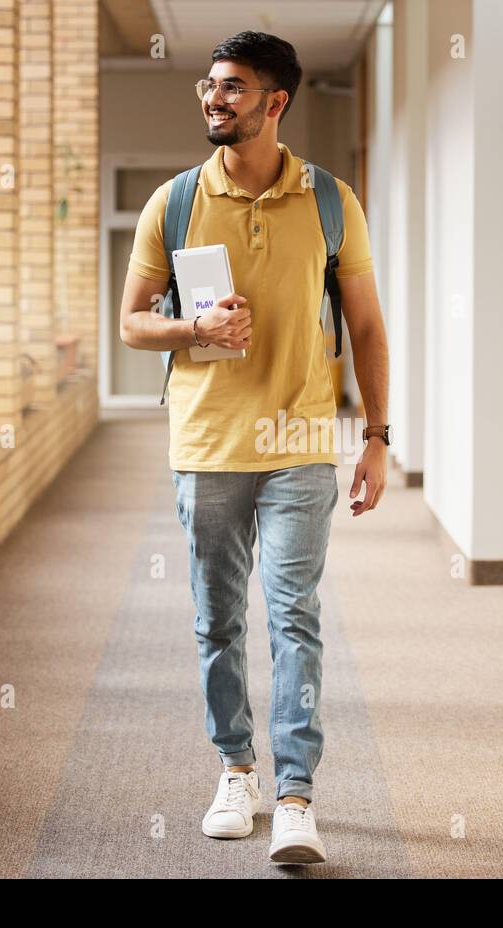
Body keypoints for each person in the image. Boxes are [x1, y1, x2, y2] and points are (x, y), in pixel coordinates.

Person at [118, 30, 391, 865]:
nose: (213, 99)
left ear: (275, 103)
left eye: (233, 88)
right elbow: (131, 323)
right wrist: (190, 326)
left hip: (301, 440)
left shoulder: (332, 201)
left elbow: (370, 327)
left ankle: (299, 793)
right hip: (206, 441)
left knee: (296, 617)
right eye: (209, 85)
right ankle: (237, 770)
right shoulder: (172, 203)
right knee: (216, 621)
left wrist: (376, 438)